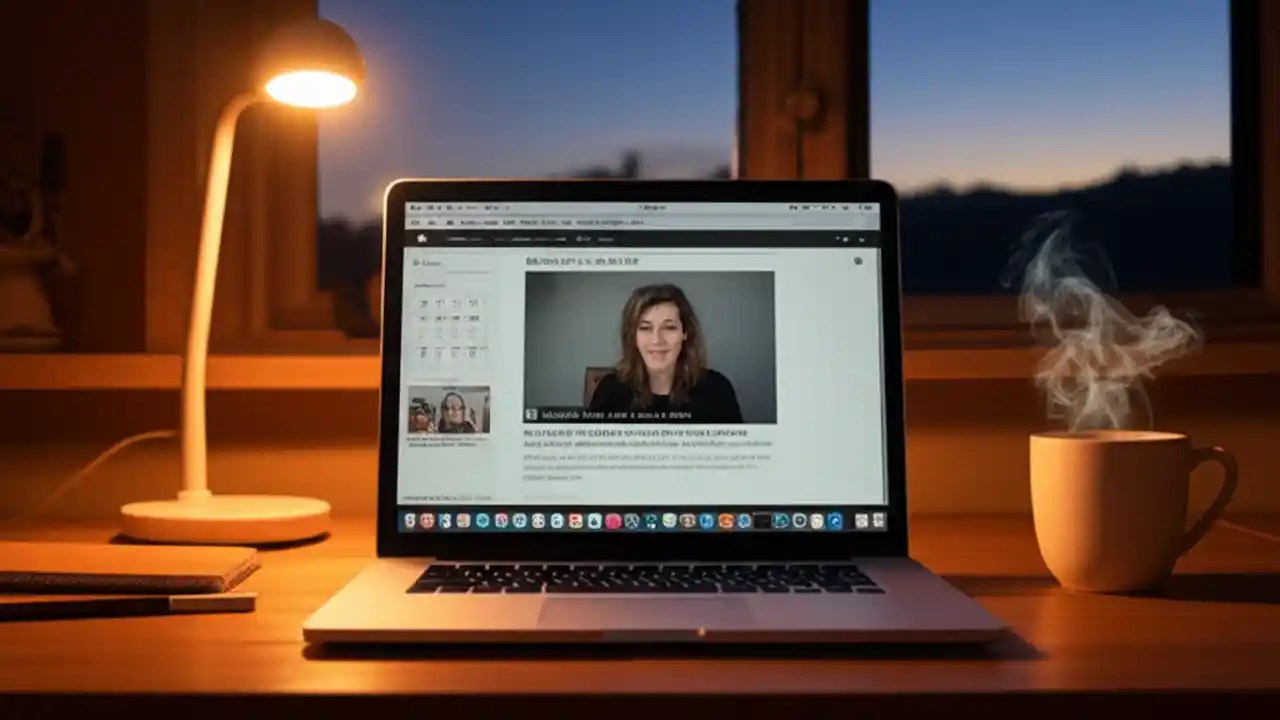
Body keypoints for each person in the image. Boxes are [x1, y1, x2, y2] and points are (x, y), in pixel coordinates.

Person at [589, 283, 743, 423]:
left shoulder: (717, 389)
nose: (657, 340)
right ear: (633, 336)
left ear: (685, 333)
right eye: (645, 328)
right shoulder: (609, 390)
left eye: (669, 327)